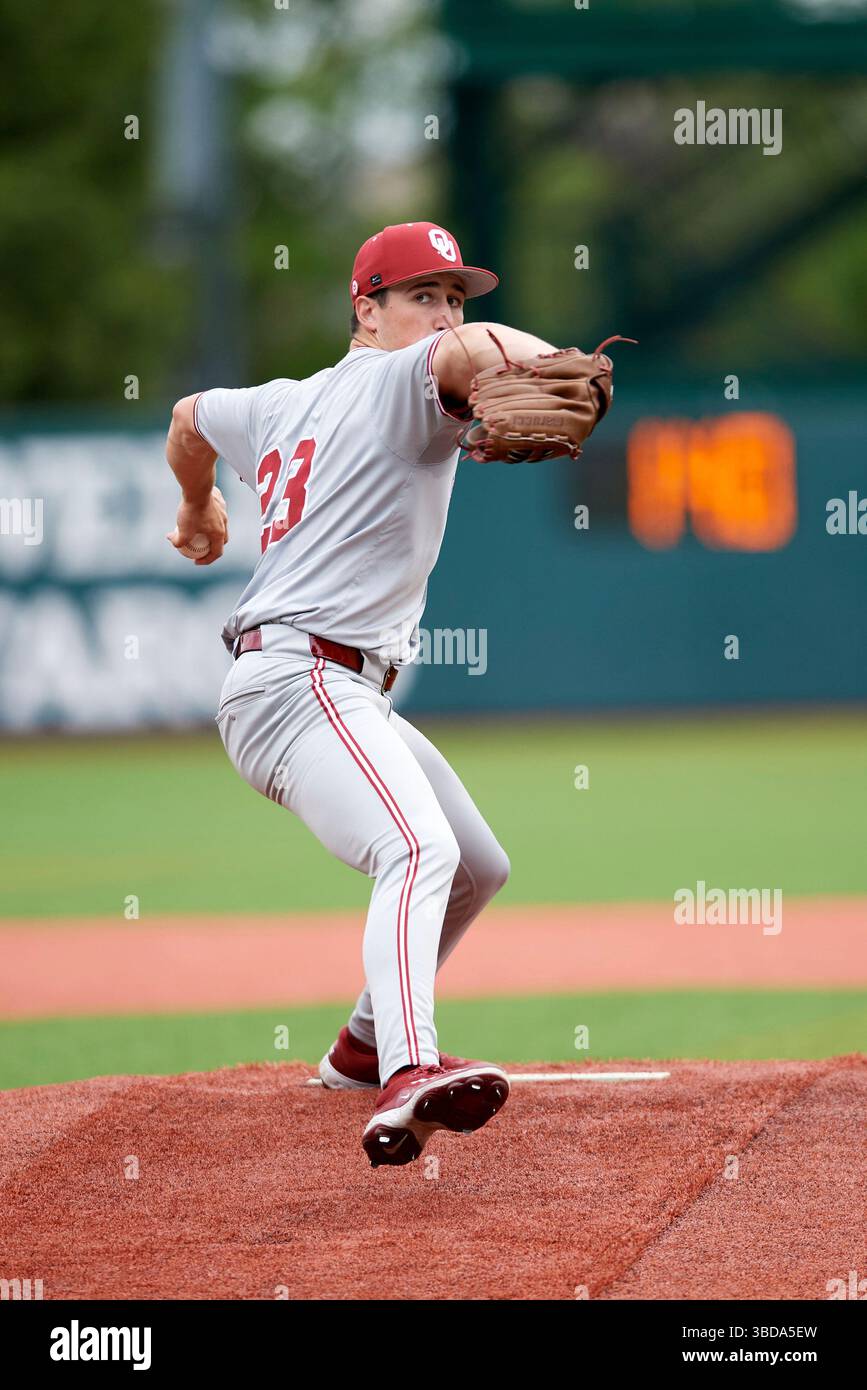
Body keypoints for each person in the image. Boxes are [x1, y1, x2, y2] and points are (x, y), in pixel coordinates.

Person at [165, 221, 560, 1168]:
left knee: (475, 865)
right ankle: (410, 1072)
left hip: (324, 687)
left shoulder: (278, 403)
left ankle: (363, 1045)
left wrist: (194, 502)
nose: (445, 314)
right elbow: (479, 352)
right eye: (422, 293)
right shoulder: (405, 379)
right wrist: (545, 357)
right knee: (416, 848)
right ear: (365, 308)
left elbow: (186, 417)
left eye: (454, 295)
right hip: (300, 679)